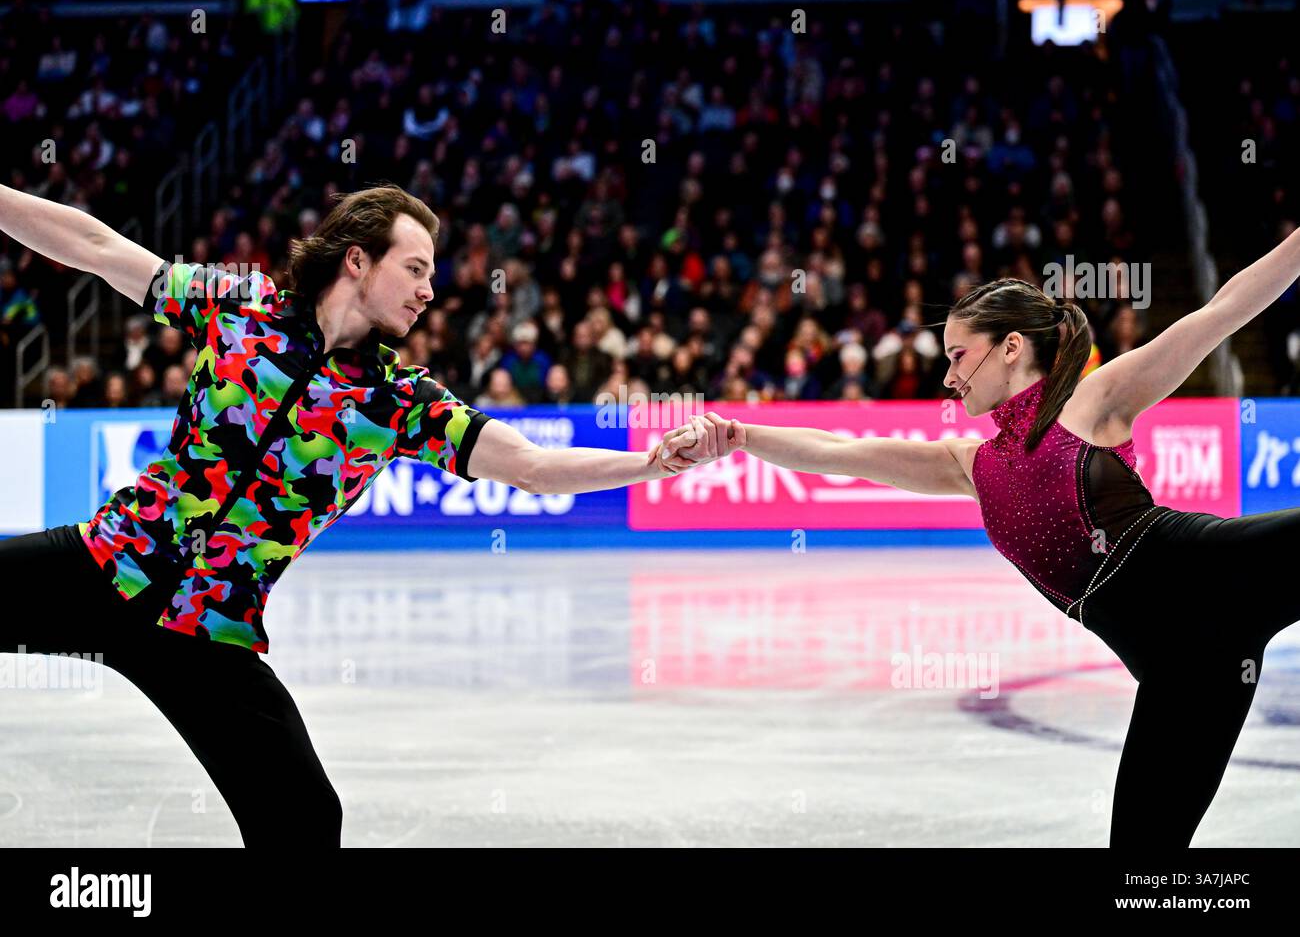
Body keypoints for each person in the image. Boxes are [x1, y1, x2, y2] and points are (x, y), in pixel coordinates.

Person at [0, 181, 718, 847]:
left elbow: (530, 466)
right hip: (105, 564)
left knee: (306, 819)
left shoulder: (401, 401)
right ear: (357, 260)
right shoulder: (237, 305)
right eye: (415, 269)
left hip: (208, 633)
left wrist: (649, 465)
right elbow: (98, 250)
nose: (430, 291)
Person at [659, 249, 1300, 847]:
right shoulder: (972, 467)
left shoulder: (1094, 399)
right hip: (1182, 674)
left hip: (1220, 574)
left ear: (1010, 347)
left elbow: (1226, 309)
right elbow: (839, 451)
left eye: (959, 356)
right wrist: (740, 435)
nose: (947, 377)